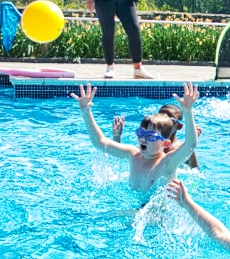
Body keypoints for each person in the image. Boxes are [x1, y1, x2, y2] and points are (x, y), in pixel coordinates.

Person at [71, 82, 199, 191]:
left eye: (150, 136)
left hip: (160, 215)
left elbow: (190, 144)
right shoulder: (133, 155)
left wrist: (188, 111)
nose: (143, 139)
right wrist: (86, 113)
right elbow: (101, 143)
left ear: (165, 144)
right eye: (140, 133)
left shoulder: (167, 163)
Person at [112, 104, 200, 169]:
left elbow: (195, 172)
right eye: (160, 117)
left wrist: (190, 145)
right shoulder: (147, 144)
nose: (164, 121)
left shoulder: (180, 148)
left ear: (179, 126)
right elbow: (120, 158)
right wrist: (117, 136)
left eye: (170, 119)